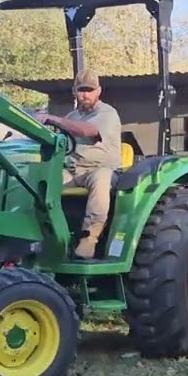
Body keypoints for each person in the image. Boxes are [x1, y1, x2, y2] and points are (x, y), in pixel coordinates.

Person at [34, 68, 122, 259]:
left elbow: (86, 131)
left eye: (90, 90)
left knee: (101, 180)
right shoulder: (73, 116)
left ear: (99, 91)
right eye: (82, 90)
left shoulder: (107, 113)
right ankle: (45, 236)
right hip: (74, 170)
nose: (85, 94)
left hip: (100, 169)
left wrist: (53, 118)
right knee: (42, 182)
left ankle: (89, 239)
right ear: (75, 91)